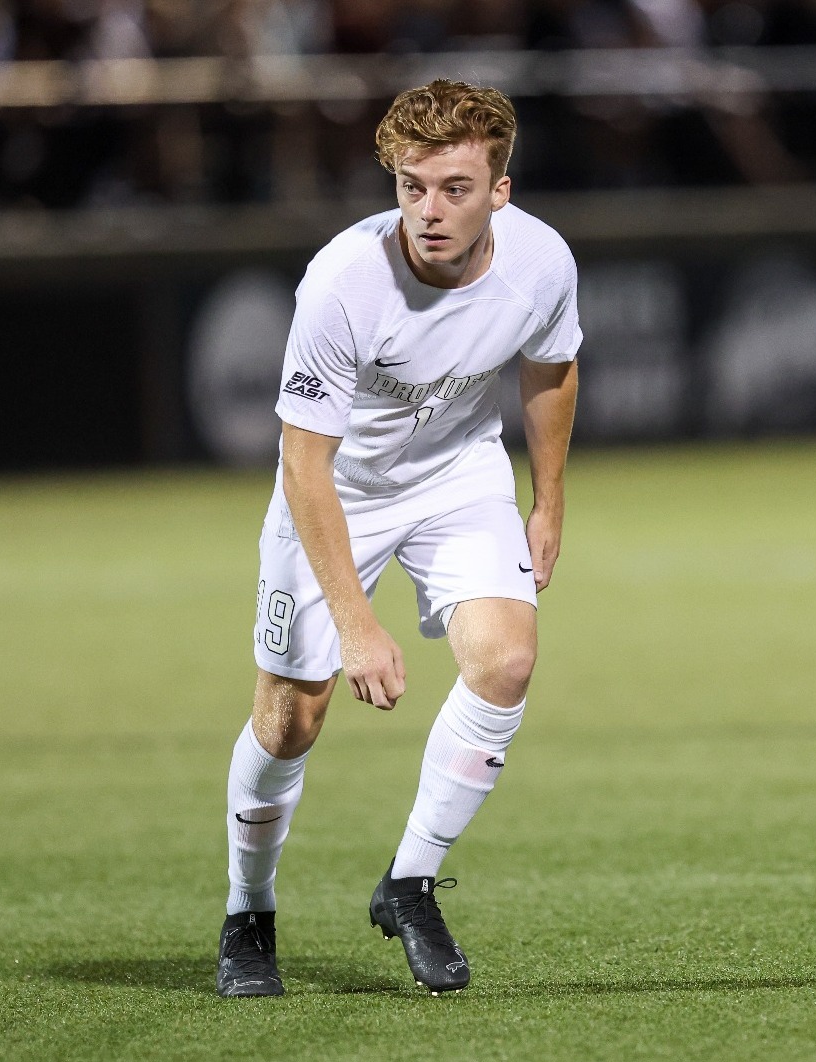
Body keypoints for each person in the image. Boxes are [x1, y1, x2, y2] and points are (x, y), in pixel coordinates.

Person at [216, 79, 581, 998]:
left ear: (500, 190)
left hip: (458, 475)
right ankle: (248, 910)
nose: (429, 210)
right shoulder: (344, 283)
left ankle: (410, 882)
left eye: (455, 188)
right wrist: (355, 625)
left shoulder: (541, 261)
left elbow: (551, 367)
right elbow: (303, 465)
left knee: (507, 661)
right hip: (336, 491)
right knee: (291, 719)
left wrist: (548, 503)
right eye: (412, 187)